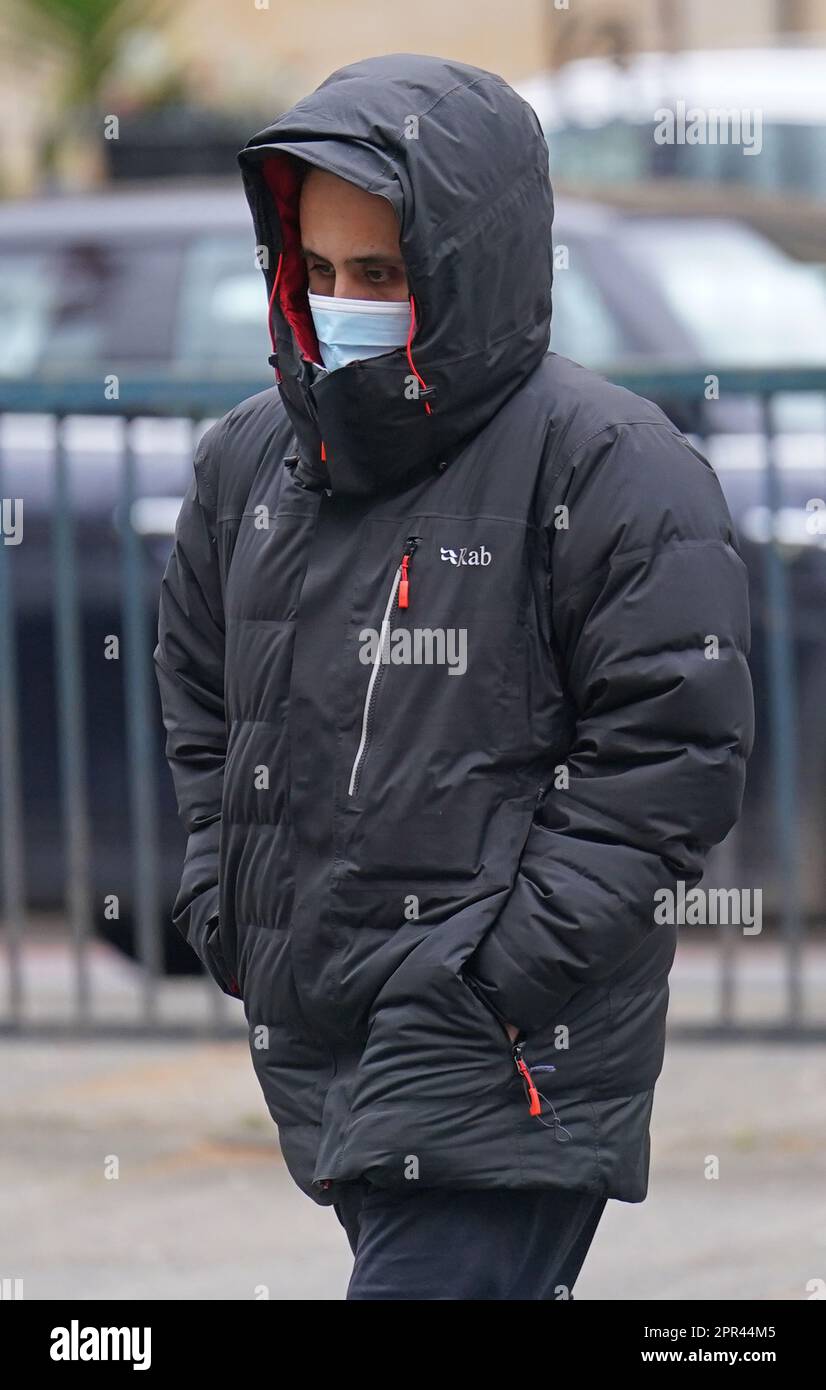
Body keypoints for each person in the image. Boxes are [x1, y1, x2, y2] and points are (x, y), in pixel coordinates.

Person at [154, 53, 754, 1300]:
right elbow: (201, 690)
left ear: (462, 262)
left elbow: (669, 756)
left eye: (378, 273)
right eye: (316, 274)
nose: (342, 304)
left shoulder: (610, 464)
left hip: (509, 1057)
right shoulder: (248, 467)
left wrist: (492, 973)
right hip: (326, 1037)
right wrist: (226, 893)